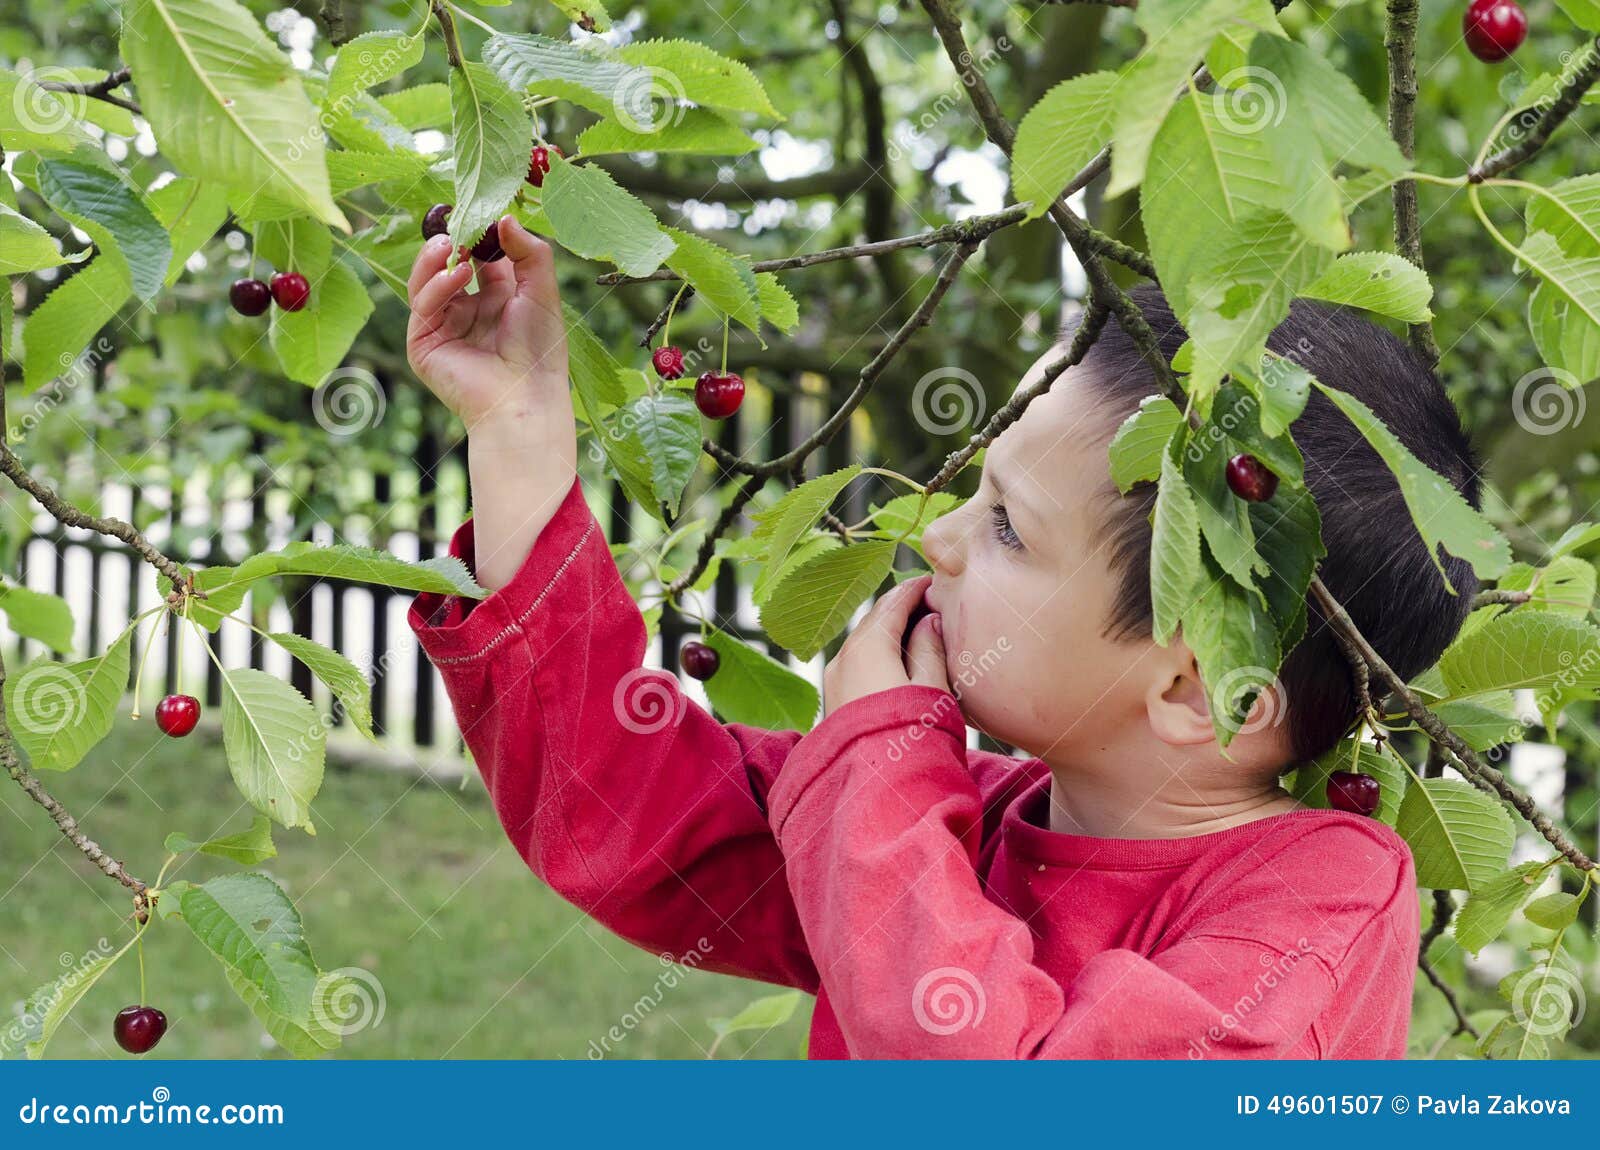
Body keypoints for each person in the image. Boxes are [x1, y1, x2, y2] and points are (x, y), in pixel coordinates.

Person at [403, 216, 1481, 1058]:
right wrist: (519, 433)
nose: (944, 537)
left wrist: (879, 759)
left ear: (1198, 690)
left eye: (1008, 525)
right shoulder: (951, 818)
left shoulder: (1324, 903)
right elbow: (615, 799)